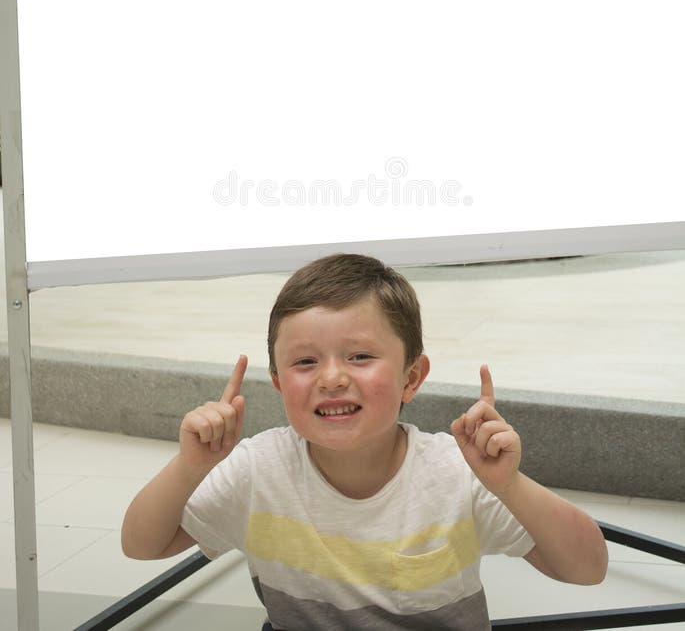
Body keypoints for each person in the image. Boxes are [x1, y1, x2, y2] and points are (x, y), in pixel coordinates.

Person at [122, 253, 608, 629]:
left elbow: (588, 568)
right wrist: (191, 466)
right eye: (305, 362)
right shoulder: (257, 469)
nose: (332, 378)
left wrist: (510, 484)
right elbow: (142, 544)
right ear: (276, 381)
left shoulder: (456, 472)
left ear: (411, 377)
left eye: (359, 356)